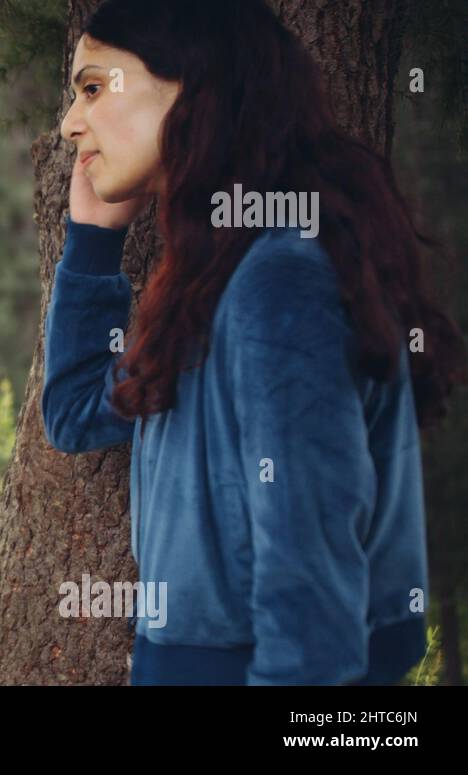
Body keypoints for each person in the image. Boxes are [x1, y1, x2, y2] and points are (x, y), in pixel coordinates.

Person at [42, 0, 467, 685]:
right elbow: (74, 414)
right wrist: (92, 242)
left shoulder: (279, 280)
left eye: (94, 88)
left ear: (190, 88)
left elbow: (311, 590)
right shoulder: (217, 275)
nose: (70, 124)